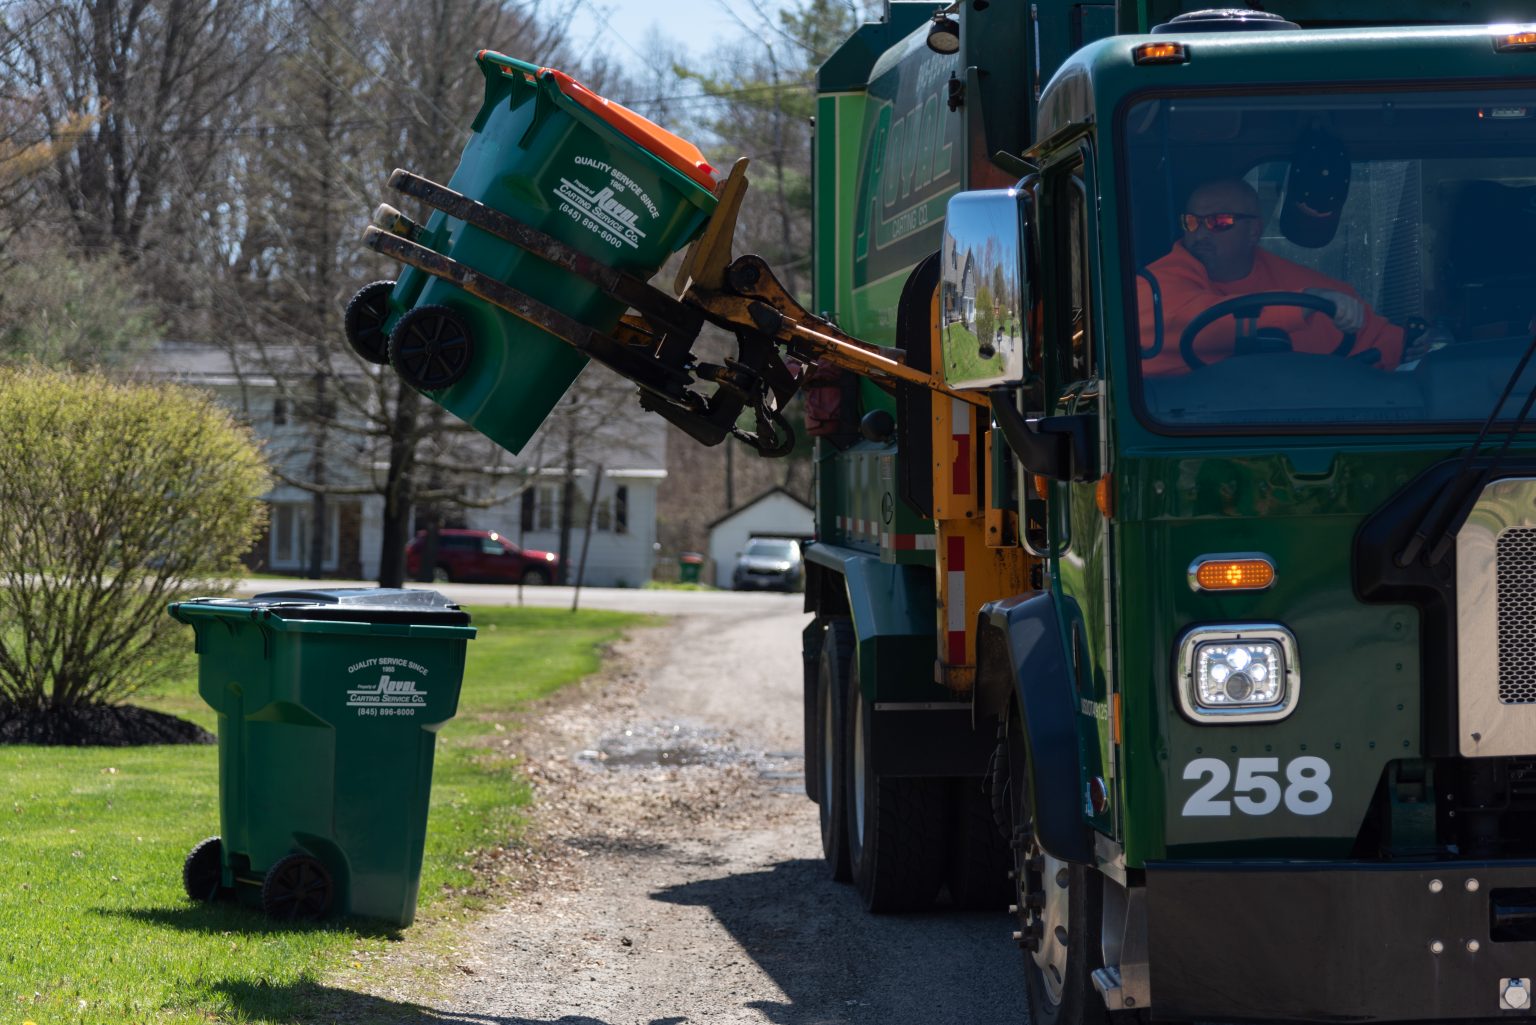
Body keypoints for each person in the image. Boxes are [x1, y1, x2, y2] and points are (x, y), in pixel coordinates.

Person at [1138, 178, 1411, 376]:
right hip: (1187, 436)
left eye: (1218, 222)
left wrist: (1407, 344)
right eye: (1192, 222)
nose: (1199, 235)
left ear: (1254, 232)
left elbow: (1383, 342)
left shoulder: (1311, 291)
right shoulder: (1152, 287)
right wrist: (1302, 304)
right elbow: (1201, 324)